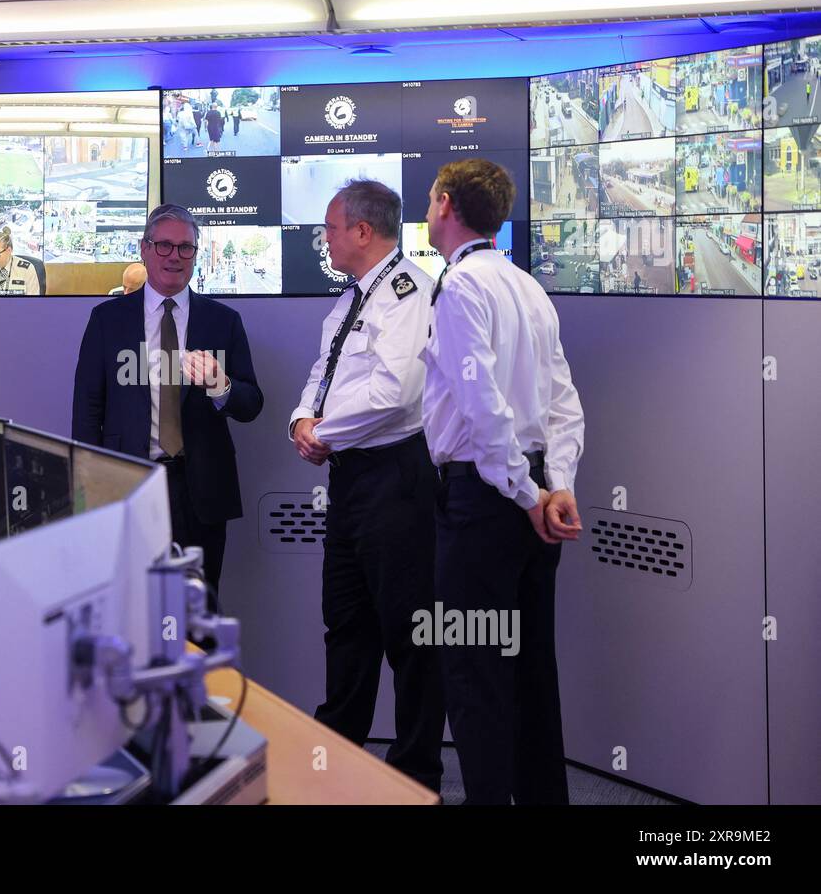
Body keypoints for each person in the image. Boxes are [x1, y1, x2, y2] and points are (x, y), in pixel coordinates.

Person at [422, 158, 585, 805]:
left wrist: (526, 495)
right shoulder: (528, 288)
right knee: (530, 672)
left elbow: (484, 408)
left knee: (476, 671)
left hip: (485, 504)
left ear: (443, 204)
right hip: (531, 496)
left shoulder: (461, 290)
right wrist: (556, 486)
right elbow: (564, 403)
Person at [288, 179, 444, 792]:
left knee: (410, 637)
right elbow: (321, 375)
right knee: (346, 626)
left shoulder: (408, 292)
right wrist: (301, 422)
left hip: (397, 479)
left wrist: (325, 432)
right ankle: (335, 760)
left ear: (361, 231)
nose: (323, 239)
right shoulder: (351, 298)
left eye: (329, 228)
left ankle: (415, 774)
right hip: (352, 483)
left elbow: (398, 392)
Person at [72, 203, 263, 604]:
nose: (174, 256)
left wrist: (220, 384)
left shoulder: (222, 321)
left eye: (185, 248)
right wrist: (88, 488)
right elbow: (88, 408)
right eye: (163, 246)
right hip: (130, 486)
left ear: (196, 253)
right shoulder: (108, 320)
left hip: (202, 492)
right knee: (133, 607)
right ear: (144, 249)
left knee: (198, 610)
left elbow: (250, 404)